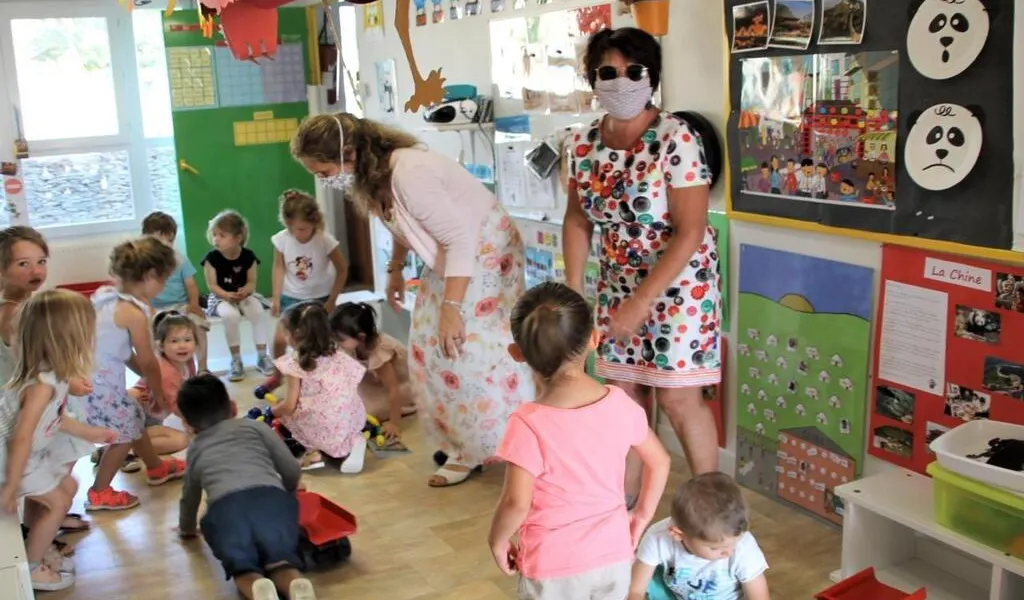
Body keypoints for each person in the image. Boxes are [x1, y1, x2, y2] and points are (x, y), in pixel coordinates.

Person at [290, 112, 534, 487]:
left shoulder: (410, 174)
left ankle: (512, 443)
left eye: (323, 171)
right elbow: (403, 223)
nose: (323, 180)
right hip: (452, 254)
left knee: (467, 349)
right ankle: (466, 443)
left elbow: (460, 240)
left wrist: (452, 310)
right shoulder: (373, 176)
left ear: (350, 153)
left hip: (483, 252)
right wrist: (396, 268)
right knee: (427, 346)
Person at [563, 27, 722, 493]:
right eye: (607, 72)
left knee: (677, 399)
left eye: (633, 71)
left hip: (679, 286)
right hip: (615, 281)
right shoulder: (581, 143)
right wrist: (575, 289)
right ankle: (626, 505)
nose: (620, 81)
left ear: (652, 75)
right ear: (593, 79)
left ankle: (713, 512)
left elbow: (691, 230)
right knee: (624, 398)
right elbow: (577, 221)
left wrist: (643, 302)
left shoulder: (677, 137)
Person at [488, 282, 671, 599]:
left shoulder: (528, 424)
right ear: (594, 340)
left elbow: (516, 503)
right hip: (614, 555)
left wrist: (497, 539)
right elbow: (660, 461)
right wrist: (640, 516)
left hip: (553, 566)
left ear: (516, 354)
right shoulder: (619, 403)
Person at [0, 290, 117, 591]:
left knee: (68, 486)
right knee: (58, 501)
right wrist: (12, 487)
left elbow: (54, 420)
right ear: (67, 339)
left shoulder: (54, 375)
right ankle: (33, 567)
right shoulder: (41, 386)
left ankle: (35, 549)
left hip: (25, 455)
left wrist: (91, 433)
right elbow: (21, 437)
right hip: (10, 458)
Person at [176, 375, 318, 600]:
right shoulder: (255, 428)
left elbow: (190, 496)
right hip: (273, 503)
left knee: (243, 569)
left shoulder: (195, 448)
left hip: (226, 512)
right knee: (280, 561)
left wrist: (187, 528)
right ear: (232, 407)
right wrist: (289, 493)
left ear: (187, 424)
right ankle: (295, 583)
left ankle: (258, 588)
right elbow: (291, 468)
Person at [73, 237, 186, 511]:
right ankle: (99, 492)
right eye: (164, 279)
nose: (164, 286)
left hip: (86, 376)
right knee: (123, 433)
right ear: (149, 276)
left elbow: (122, 352)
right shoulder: (134, 312)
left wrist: (147, 378)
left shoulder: (105, 295)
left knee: (132, 415)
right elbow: (148, 361)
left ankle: (156, 467)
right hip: (96, 385)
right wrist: (158, 392)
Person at [0, 227, 93, 544]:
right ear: (2, 269)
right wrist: (70, 380)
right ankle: (41, 524)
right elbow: (35, 362)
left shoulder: (27, 304)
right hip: (31, 405)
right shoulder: (14, 311)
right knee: (47, 463)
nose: (36, 270)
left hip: (44, 402)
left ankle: (46, 517)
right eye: (22, 264)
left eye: (41, 261)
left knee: (54, 465)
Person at [628, 472, 770, 600]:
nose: (729, 552)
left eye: (734, 543)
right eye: (715, 548)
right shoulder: (657, 539)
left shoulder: (744, 547)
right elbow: (635, 592)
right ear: (678, 534)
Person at [273, 301, 367, 473]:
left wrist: (272, 411)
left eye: (286, 333)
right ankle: (353, 441)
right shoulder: (337, 354)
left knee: (288, 415)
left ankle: (313, 450)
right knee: (322, 406)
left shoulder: (295, 364)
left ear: (297, 334)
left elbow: (289, 405)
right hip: (350, 418)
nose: (285, 338)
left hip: (324, 424)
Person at [270, 189, 349, 362]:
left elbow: (342, 269)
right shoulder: (281, 240)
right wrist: (276, 298)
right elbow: (278, 267)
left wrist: (332, 299)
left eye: (306, 228)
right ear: (288, 223)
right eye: (298, 229)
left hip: (321, 297)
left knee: (326, 339)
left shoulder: (325, 240)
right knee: (279, 340)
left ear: (315, 222)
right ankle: (277, 375)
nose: (302, 233)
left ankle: (331, 372)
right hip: (291, 297)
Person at [202, 210, 274, 381]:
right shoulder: (211, 258)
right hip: (220, 296)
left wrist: (246, 291)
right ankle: (236, 360)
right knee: (230, 315)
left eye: (222, 235)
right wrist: (226, 294)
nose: (216, 239)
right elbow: (212, 286)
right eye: (214, 235)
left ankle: (262, 356)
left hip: (243, 295)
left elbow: (251, 282)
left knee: (257, 311)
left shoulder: (248, 256)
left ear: (238, 237)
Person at [330, 302, 417, 437]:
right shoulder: (354, 344)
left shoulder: (379, 351)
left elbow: (393, 390)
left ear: (361, 337)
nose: (336, 342)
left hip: (399, 388)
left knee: (364, 413)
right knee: (346, 405)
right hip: (374, 383)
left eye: (340, 339)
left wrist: (394, 424)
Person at [141, 211, 210, 374]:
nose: (165, 246)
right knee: (147, 332)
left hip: (181, 305)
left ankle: (203, 367)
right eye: (159, 241)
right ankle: (159, 367)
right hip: (154, 308)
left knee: (198, 326)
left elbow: (191, 285)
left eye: (170, 241)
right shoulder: (143, 263)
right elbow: (140, 290)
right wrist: (147, 308)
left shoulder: (179, 259)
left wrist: (194, 305)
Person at [127, 310, 197, 456]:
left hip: (152, 421)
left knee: (181, 438)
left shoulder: (188, 363)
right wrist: (198, 423)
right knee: (181, 440)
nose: (182, 345)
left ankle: (126, 446)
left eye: (187, 339)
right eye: (174, 341)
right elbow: (172, 404)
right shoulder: (165, 371)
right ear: (161, 346)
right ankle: (123, 450)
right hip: (137, 419)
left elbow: (190, 393)